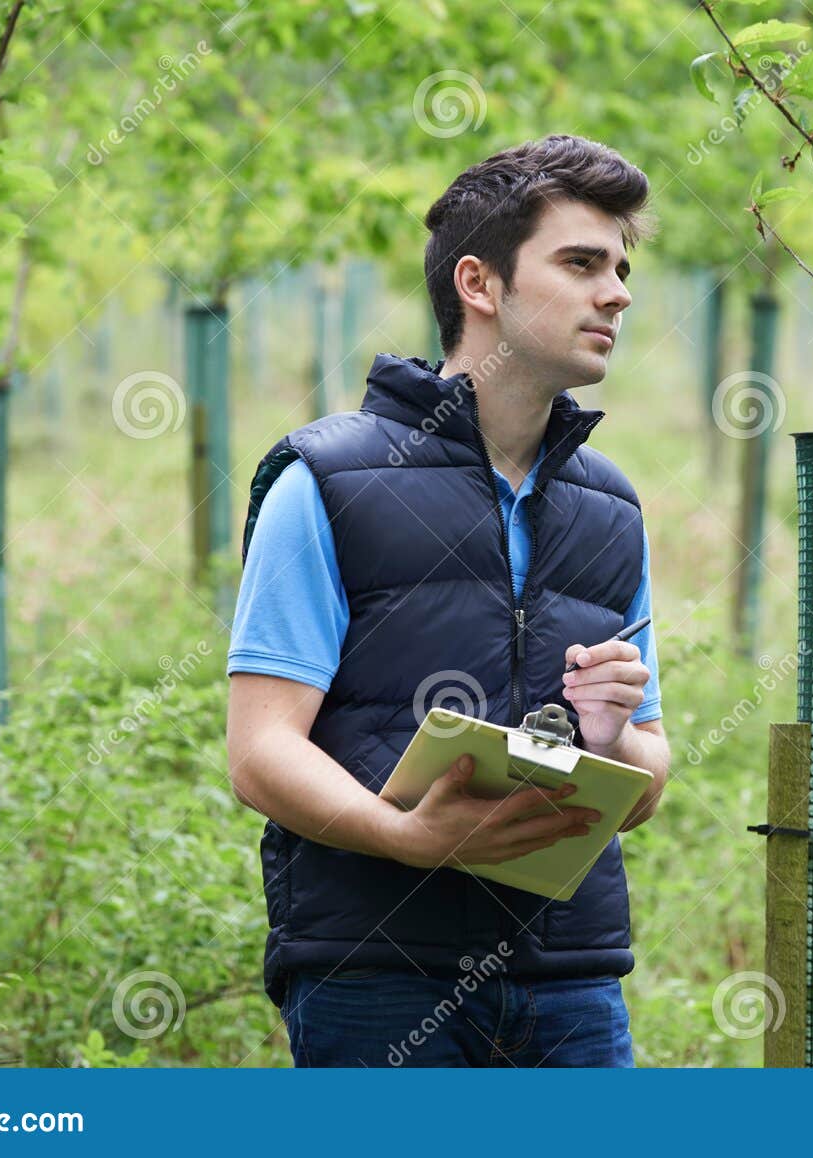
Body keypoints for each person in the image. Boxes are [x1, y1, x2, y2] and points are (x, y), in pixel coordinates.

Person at [225, 134, 671, 1067]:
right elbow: (260, 753)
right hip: (376, 972)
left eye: (622, 267)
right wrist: (407, 837)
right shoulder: (330, 479)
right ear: (481, 284)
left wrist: (613, 731)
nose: (618, 291)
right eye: (582, 262)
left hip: (572, 979)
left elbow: (646, 781)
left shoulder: (612, 508)